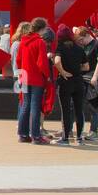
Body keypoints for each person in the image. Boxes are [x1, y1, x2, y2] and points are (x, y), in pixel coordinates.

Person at [16, 16, 53, 144]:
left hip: (25, 76)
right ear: (41, 29)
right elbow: (42, 62)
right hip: (36, 77)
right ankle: (36, 136)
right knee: (35, 106)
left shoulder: (23, 41)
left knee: (25, 105)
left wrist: (21, 75)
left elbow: (19, 60)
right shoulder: (40, 42)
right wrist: (47, 76)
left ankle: (23, 134)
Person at [52, 25, 90, 145]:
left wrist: (62, 72)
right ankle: (79, 138)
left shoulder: (61, 47)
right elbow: (87, 66)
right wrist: (77, 70)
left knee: (66, 110)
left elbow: (57, 61)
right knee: (79, 110)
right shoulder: (79, 48)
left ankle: (65, 138)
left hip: (65, 82)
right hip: (79, 81)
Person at [75, 26, 98, 141]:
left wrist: (95, 76)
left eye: (81, 39)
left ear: (87, 35)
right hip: (82, 78)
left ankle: (94, 131)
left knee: (94, 106)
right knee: (79, 105)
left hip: (92, 78)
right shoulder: (83, 46)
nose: (80, 42)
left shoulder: (97, 44)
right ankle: (80, 129)